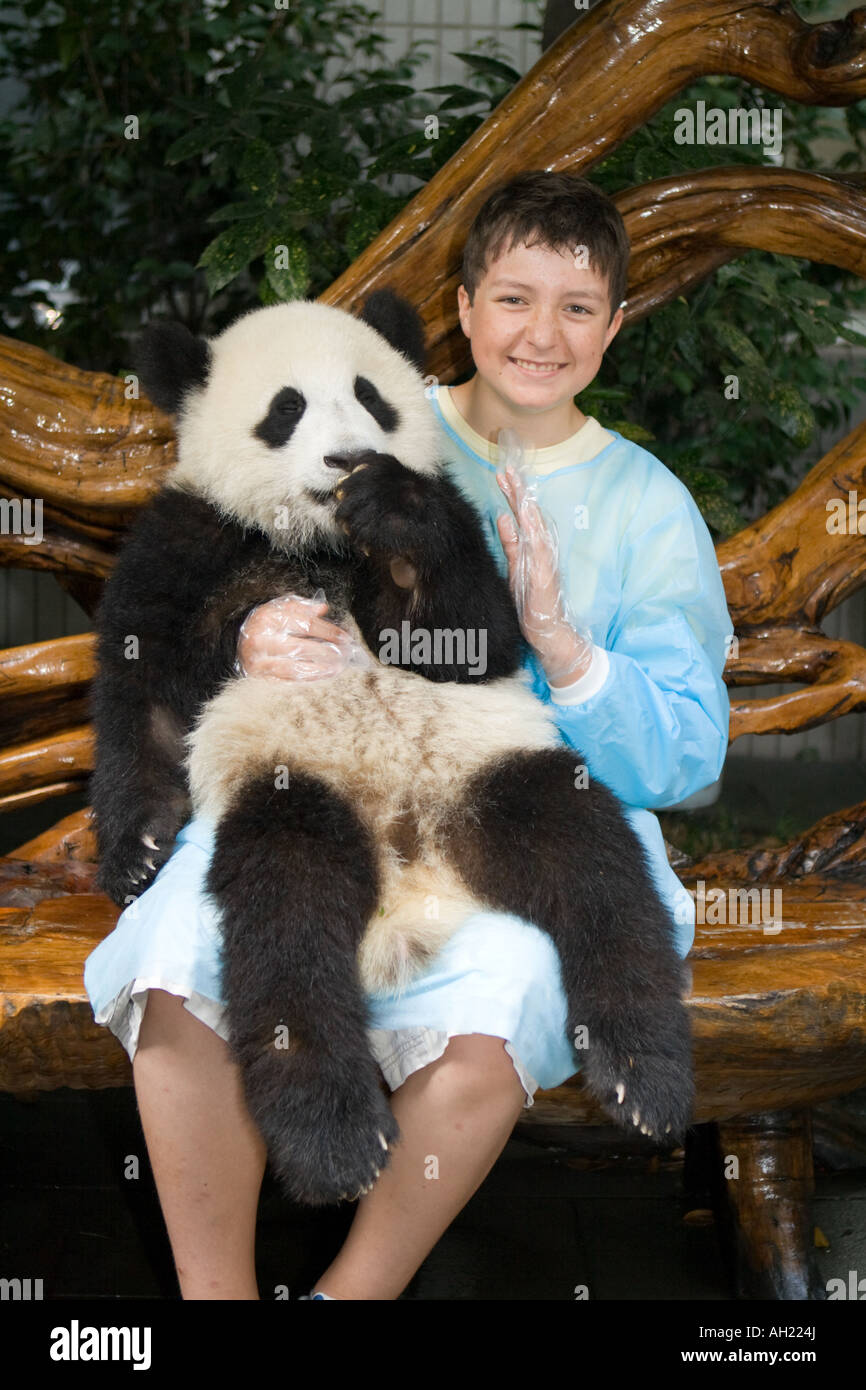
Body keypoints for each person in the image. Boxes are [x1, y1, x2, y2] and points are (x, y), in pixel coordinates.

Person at [84, 170, 732, 1301]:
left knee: (511, 977)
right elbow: (195, 578)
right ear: (464, 306)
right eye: (513, 299)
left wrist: (564, 649)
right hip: (304, 777)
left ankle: (352, 1295)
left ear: (615, 324)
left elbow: (679, 752)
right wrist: (248, 633)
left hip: (493, 785)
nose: (540, 333)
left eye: (577, 306)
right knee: (192, 953)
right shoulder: (369, 401)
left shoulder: (645, 507)